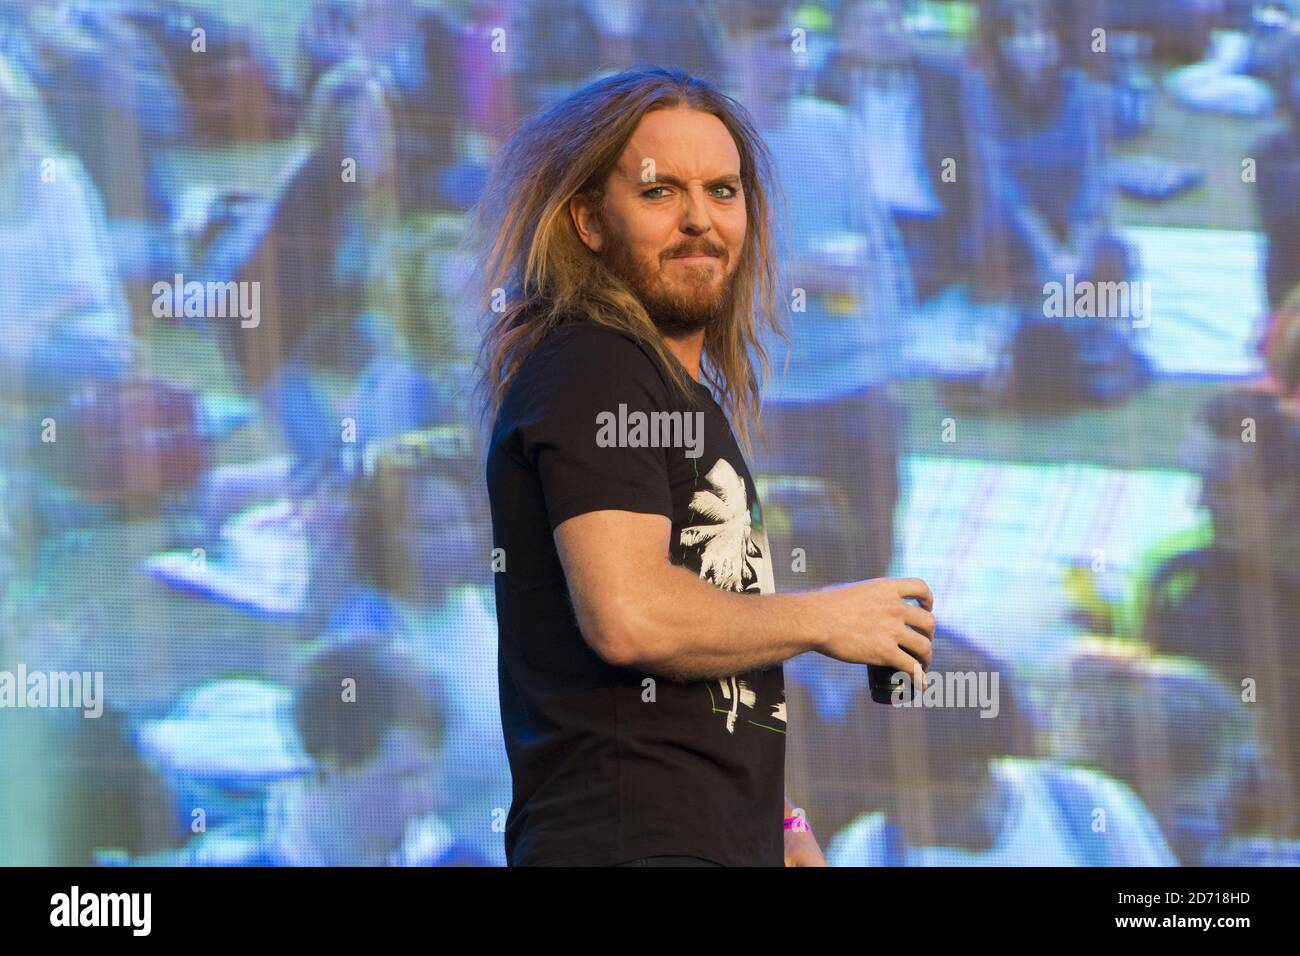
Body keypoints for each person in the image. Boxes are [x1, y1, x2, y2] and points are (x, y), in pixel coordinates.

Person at [471, 66, 936, 867]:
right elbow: (631, 616)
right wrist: (829, 618)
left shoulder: (661, 385)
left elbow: (699, 660)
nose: (699, 220)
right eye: (660, 193)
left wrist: (781, 825)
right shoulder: (596, 368)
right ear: (587, 219)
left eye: (723, 191)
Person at [726, 1, 915, 584]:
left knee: (874, 542)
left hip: (858, 375)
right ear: (730, 55)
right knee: (780, 564)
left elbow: (880, 249)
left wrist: (892, 350)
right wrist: (799, 279)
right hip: (769, 390)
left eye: (791, 44)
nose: (786, 61)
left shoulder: (835, 129)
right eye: (768, 47)